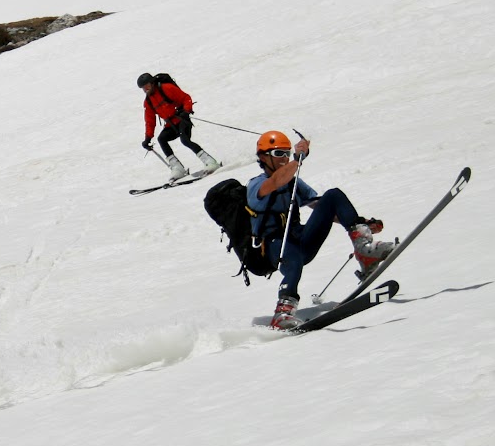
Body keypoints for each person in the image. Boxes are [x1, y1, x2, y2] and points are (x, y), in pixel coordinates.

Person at [245, 130, 394, 330]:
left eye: (286, 153)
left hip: (300, 239)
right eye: (279, 154)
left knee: (332, 196)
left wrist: (359, 222)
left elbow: (318, 204)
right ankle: (282, 313)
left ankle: (364, 250)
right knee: (293, 260)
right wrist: (297, 159)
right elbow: (275, 181)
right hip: (275, 248)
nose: (284, 159)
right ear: (263, 157)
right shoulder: (256, 185)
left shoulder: (292, 180)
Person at [138, 72, 222, 181]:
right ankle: (177, 169)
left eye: (147, 86)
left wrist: (186, 111)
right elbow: (150, 121)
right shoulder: (148, 102)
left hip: (182, 119)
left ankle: (210, 162)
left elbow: (186, 98)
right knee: (162, 139)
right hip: (171, 125)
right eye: (143, 89)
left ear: (153, 83)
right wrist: (148, 138)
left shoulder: (167, 88)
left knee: (185, 140)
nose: (146, 90)